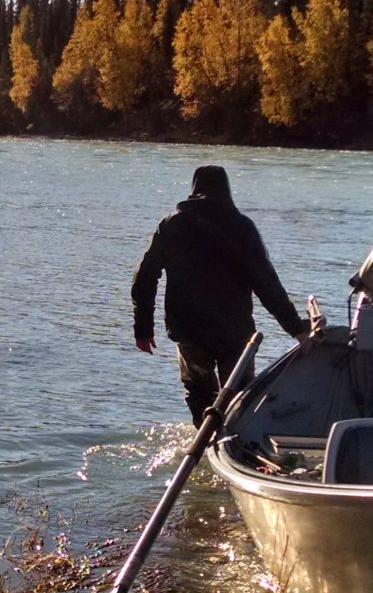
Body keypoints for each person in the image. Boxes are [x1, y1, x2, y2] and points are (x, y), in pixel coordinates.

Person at [131, 164, 311, 423]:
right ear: (227, 189)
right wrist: (296, 329)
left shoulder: (173, 224)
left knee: (198, 393)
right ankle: (232, 437)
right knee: (239, 397)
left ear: (194, 188)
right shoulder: (242, 227)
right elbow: (266, 284)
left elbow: (145, 277)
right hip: (234, 331)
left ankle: (205, 438)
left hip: (190, 330)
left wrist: (143, 328)